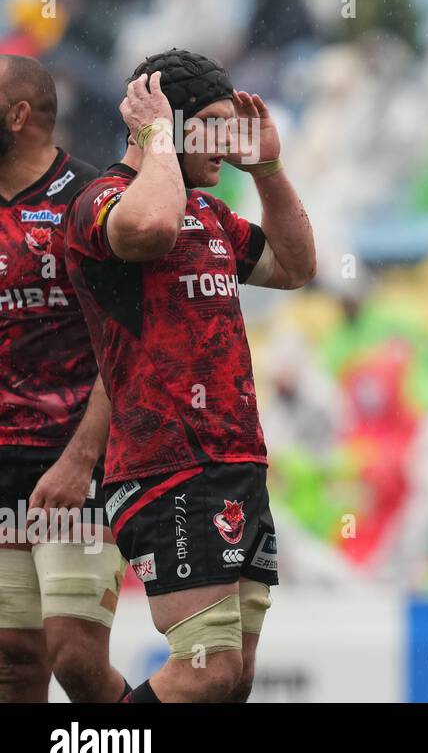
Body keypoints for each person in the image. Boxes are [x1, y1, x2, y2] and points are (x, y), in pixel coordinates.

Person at [64, 50, 316, 702]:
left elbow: (295, 264)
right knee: (206, 672)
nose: (223, 143)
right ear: (164, 123)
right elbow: (148, 226)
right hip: (168, 464)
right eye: (208, 125)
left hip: (236, 460)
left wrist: (268, 170)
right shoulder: (103, 200)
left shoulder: (210, 216)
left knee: (235, 682)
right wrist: (155, 144)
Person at [0, 54, 127, 702]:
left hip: (75, 460)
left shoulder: (90, 197)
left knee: (75, 657)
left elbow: (123, 339)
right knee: (13, 659)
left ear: (19, 116)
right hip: (2, 464)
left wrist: (82, 457)